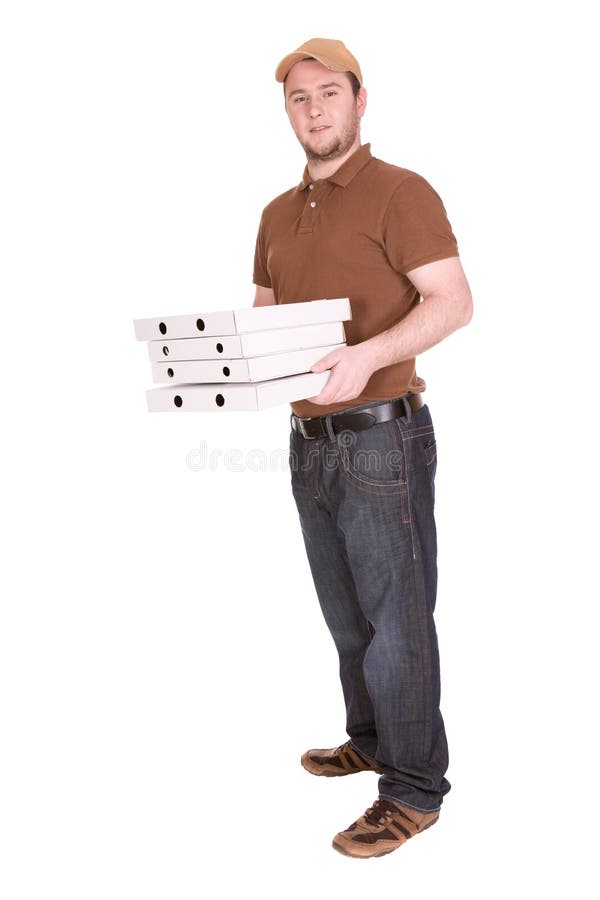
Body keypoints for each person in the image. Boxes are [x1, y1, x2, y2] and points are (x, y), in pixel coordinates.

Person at [252, 38, 472, 858]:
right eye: (299, 98)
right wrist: (218, 363)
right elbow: (265, 315)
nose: (314, 110)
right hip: (308, 442)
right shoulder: (275, 214)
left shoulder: (401, 192)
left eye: (329, 93)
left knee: (398, 622)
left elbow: (453, 301)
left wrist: (366, 356)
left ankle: (413, 790)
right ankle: (375, 739)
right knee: (348, 617)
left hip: (384, 438)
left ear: (360, 100)